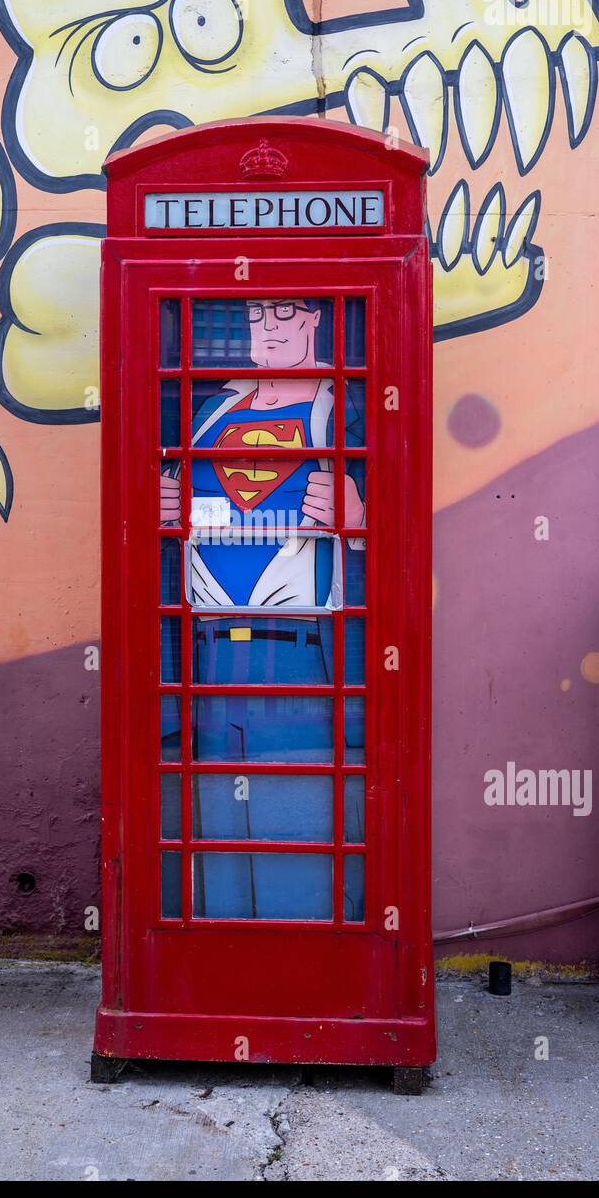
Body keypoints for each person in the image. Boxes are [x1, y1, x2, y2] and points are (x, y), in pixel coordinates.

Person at [161, 299, 365, 919]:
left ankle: (306, 948)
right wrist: (162, 506)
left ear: (316, 320)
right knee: (217, 810)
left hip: (299, 649)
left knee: (294, 808)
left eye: (283, 314)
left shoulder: (345, 403)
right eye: (255, 316)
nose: (265, 328)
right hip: (210, 646)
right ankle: (219, 942)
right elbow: (167, 489)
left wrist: (360, 516)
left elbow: (401, 502)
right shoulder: (214, 406)